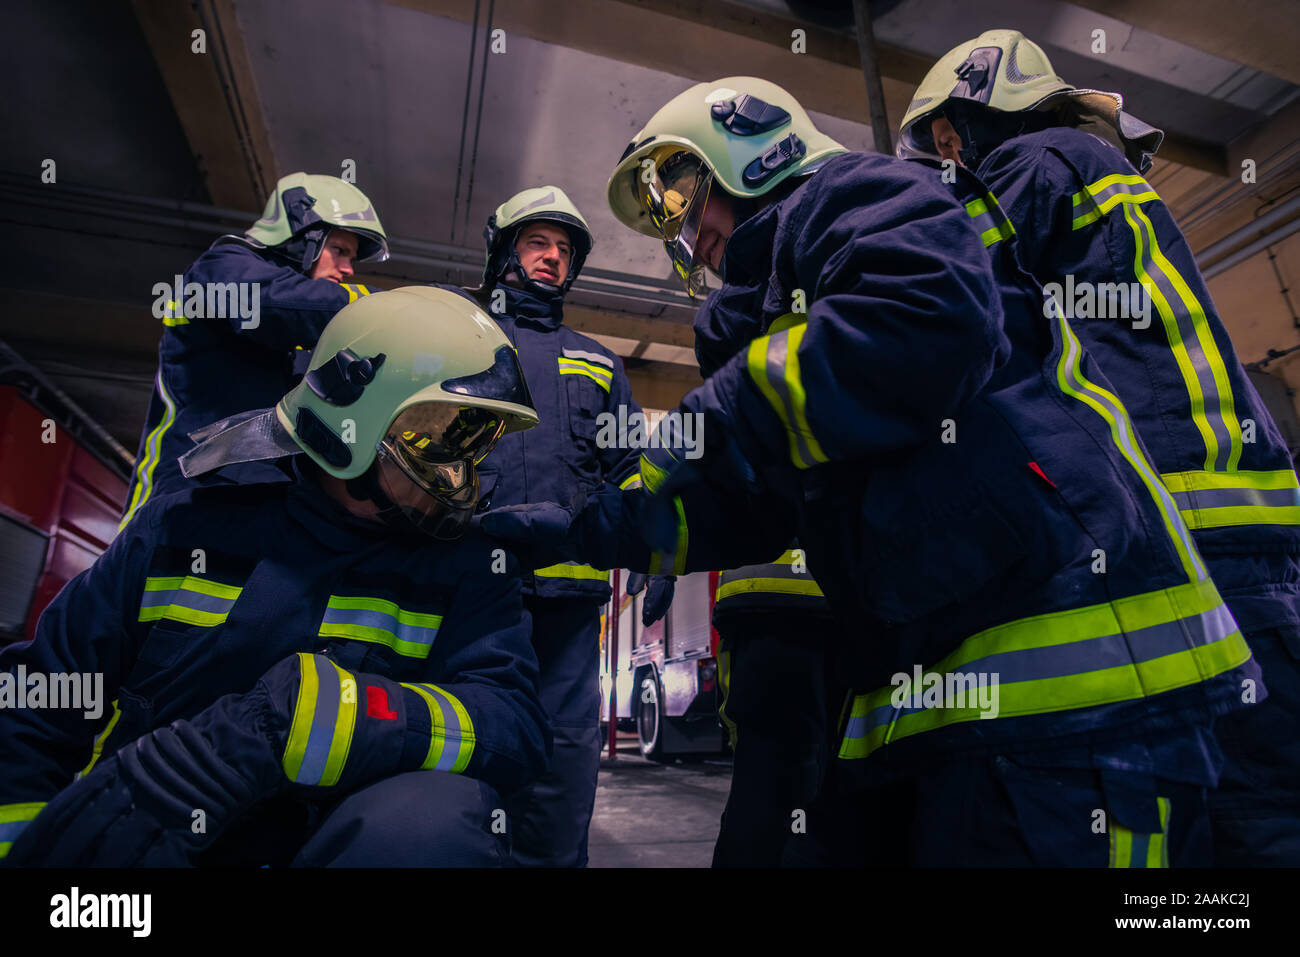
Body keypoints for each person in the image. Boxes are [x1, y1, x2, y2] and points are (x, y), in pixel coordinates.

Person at [487, 76, 1263, 866]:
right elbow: (756, 499)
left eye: (679, 194)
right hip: (924, 701)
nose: (683, 235)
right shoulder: (771, 308)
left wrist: (702, 425)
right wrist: (597, 529)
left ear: (747, 143)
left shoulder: (856, 194)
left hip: (1083, 697)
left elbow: (923, 315)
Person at [899, 28, 1300, 866]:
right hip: (1254, 547)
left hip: (1188, 540)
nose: (942, 158)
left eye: (940, 145)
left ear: (955, 131)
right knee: (1257, 820)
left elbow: (945, 276)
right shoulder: (1100, 173)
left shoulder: (1039, 161)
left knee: (1212, 823)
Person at [0, 287, 549, 867]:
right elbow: (36, 706)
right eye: (438, 437)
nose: (457, 475)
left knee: (436, 818)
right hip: (152, 854)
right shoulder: (187, 525)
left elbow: (514, 731)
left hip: (323, 850)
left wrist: (335, 717)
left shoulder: (467, 566)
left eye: (472, 444)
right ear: (354, 420)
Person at [469, 187, 673, 867]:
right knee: (473, 752)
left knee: (565, 767)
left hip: (570, 609)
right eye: (538, 243)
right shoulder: (460, 337)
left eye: (563, 250)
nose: (553, 258)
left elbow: (629, 473)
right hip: (471, 598)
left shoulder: (596, 361)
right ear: (504, 252)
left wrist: (659, 551)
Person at [120, 172, 389, 529]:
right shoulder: (221, 269)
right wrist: (386, 305)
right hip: (181, 496)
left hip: (255, 505)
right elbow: (275, 304)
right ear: (299, 241)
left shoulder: (308, 330)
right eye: (339, 251)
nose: (348, 269)